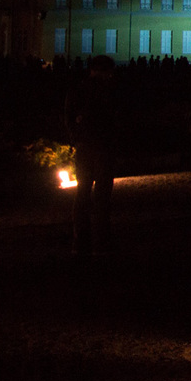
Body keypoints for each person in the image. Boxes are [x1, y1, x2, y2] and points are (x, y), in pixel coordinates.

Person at [68, 55, 121, 255]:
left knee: (83, 192)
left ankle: (81, 240)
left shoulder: (79, 89)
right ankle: (101, 239)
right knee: (102, 195)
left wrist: (76, 138)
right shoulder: (108, 90)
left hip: (86, 146)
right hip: (103, 147)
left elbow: (69, 116)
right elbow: (115, 118)